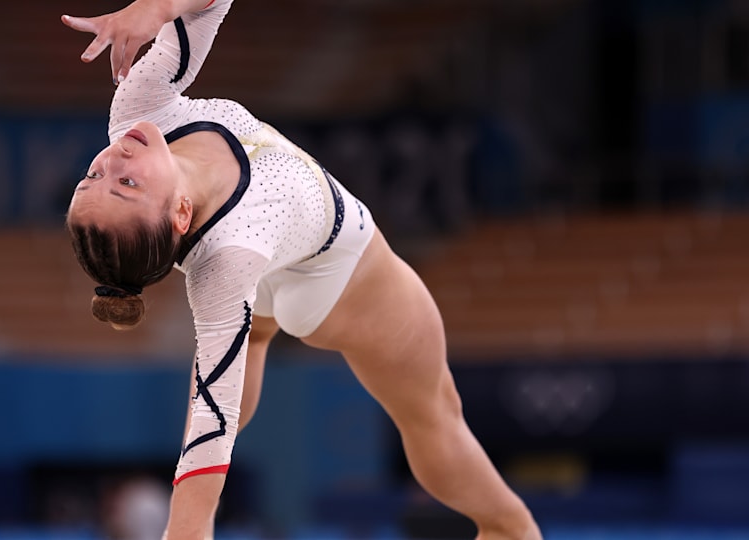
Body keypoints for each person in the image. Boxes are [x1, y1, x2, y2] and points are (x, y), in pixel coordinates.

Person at [60, 1, 542, 539]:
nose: (113, 161)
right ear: (178, 215)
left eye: (93, 176)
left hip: (262, 279)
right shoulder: (227, 258)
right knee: (434, 412)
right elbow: (210, 421)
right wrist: (185, 531)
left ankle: (256, 335)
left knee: (249, 332)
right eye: (127, 186)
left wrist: (157, 8)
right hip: (340, 283)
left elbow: (209, 7)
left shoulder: (135, 114)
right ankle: (512, 527)